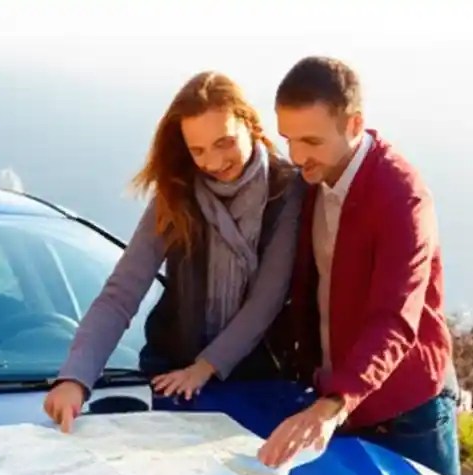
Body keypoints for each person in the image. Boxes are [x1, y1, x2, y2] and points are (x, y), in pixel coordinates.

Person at [44, 70, 306, 432]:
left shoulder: (288, 190)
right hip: (172, 377)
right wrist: (75, 378)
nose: (213, 163)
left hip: (257, 377)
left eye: (224, 143)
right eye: (197, 150)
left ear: (250, 124)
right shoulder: (176, 193)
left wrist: (205, 367)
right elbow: (122, 292)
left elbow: (267, 299)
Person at [257, 56, 462, 475]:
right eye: (288, 139)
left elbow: (395, 319)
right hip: (336, 401)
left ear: (353, 124)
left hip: (407, 412)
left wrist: (331, 405)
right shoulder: (314, 179)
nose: (296, 157)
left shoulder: (402, 196)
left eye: (311, 141)